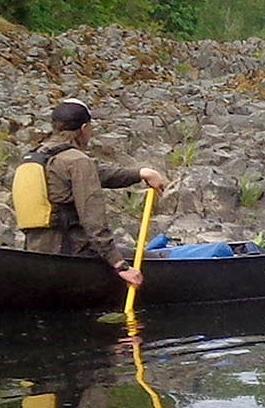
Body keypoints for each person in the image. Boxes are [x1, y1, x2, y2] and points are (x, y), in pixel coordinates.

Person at [15, 98, 169, 286]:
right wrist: (120, 266)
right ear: (85, 128)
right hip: (71, 253)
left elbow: (99, 173)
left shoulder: (36, 157)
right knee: (154, 259)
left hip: (36, 253)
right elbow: (94, 221)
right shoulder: (77, 161)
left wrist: (140, 173)